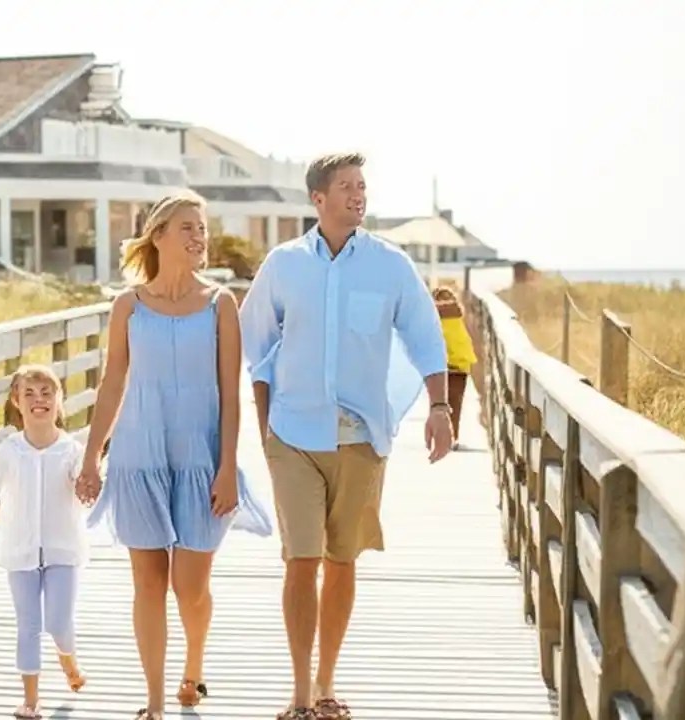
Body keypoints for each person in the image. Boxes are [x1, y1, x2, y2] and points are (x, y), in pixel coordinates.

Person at [239, 152, 453, 720]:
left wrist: (440, 408)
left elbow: (427, 338)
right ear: (318, 199)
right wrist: (264, 426)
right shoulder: (284, 264)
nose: (358, 195)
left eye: (362, 185)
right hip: (293, 434)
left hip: (362, 437)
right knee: (300, 559)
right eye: (346, 187)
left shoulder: (391, 265)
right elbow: (255, 343)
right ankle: (300, 694)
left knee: (341, 559)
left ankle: (327, 684)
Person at [75, 190, 274, 720]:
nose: (198, 237)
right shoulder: (128, 306)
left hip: (201, 461)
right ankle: (155, 700)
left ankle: (195, 664)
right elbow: (112, 382)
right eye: (187, 227)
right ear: (158, 234)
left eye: (203, 228)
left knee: (190, 587)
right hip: (139, 460)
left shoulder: (220, 304)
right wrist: (92, 456)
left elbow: (230, 393)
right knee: (147, 583)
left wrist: (228, 466)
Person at [0, 364, 90, 718]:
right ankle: (30, 700)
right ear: (17, 402)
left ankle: (68, 659)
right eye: (29, 394)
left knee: (58, 623)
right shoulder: (9, 450)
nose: (38, 400)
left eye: (46, 393)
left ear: (59, 402)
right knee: (28, 624)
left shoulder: (72, 450)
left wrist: (90, 484)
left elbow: (87, 487)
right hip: (20, 552)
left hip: (63, 550)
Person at [433, 285, 477, 448]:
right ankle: (453, 438)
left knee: (439, 405)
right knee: (456, 405)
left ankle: (440, 438)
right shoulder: (458, 314)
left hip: (441, 366)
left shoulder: (431, 316)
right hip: (459, 365)